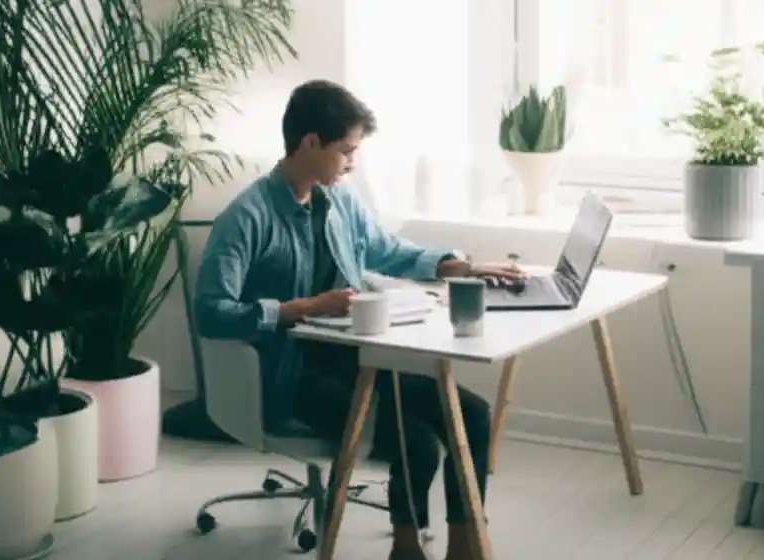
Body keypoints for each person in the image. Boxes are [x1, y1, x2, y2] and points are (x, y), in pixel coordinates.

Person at [195, 79, 523, 560]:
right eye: (346, 151)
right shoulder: (247, 217)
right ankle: (406, 549)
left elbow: (388, 251)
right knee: (419, 443)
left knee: (471, 414)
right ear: (310, 143)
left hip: (355, 359)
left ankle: (463, 546)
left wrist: (464, 266)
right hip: (293, 376)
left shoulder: (339, 201)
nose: (352, 162)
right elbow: (211, 311)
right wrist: (304, 309)